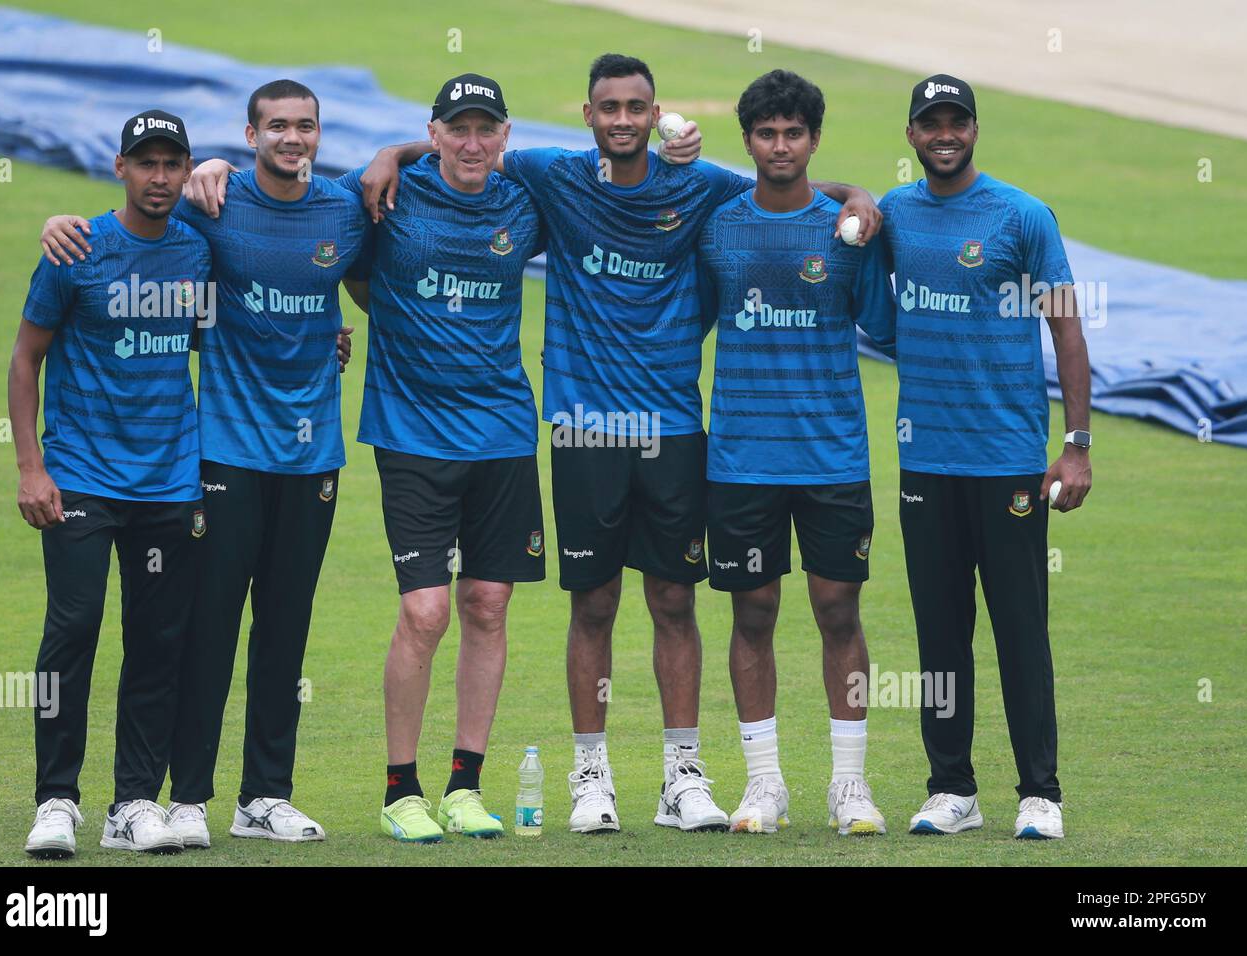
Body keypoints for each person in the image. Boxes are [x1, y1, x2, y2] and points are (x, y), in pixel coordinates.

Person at [358, 53, 883, 833]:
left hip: (673, 426)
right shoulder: (554, 175)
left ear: (655, 111)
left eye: (637, 107)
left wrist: (858, 194)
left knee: (674, 600)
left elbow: (784, 191)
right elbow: (460, 148)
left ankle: (682, 777)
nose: (624, 120)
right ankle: (590, 779)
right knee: (593, 602)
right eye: (610, 108)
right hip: (583, 428)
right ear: (588, 115)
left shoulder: (701, 184)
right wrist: (389, 153)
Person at [40, 79, 369, 847]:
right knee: (206, 630)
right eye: (278, 125)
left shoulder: (346, 208)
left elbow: (395, 186)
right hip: (219, 452)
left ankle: (264, 797)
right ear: (250, 134)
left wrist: (396, 149)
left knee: (285, 630)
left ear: (321, 134)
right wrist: (60, 224)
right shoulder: (203, 204)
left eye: (306, 126)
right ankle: (186, 795)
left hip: (313, 452)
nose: (293, 137)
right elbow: (129, 225)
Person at [878, 75, 1091, 840]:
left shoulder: (1022, 216)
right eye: (930, 123)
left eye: (956, 122)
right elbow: (836, 199)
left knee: (1020, 629)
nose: (944, 134)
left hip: (1008, 462)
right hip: (924, 462)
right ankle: (952, 790)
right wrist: (851, 197)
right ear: (911, 135)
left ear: (974, 129)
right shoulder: (896, 213)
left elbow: (1066, 329)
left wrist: (1076, 444)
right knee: (939, 632)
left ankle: (1040, 793)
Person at [337, 74, 546, 843]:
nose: (471, 142)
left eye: (485, 128)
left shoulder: (525, 202)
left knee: (487, 605)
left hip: (502, 433)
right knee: (425, 612)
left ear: (504, 135)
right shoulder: (385, 194)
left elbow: (611, 184)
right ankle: (401, 790)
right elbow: (308, 224)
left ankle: (466, 785)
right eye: (456, 128)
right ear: (431, 134)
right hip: (412, 434)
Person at [698, 71, 895, 836]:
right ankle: (763, 785)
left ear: (815, 139)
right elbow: (689, 325)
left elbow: (884, 328)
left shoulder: (850, 233)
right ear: (747, 140)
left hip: (833, 459)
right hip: (741, 460)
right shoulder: (716, 228)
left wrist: (869, 210)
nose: (780, 146)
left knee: (838, 609)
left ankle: (850, 785)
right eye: (766, 133)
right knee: (754, 614)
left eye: (794, 133)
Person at [14, 111, 210, 858]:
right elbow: (26, 358)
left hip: (169, 483)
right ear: (120, 168)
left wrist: (329, 338)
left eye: (172, 164)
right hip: (82, 481)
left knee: (158, 642)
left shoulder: (198, 252)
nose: (159, 177)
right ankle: (55, 800)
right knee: (73, 629)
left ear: (186, 169)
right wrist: (32, 467)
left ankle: (132, 803)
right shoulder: (76, 248)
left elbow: (218, 335)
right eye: (145, 163)